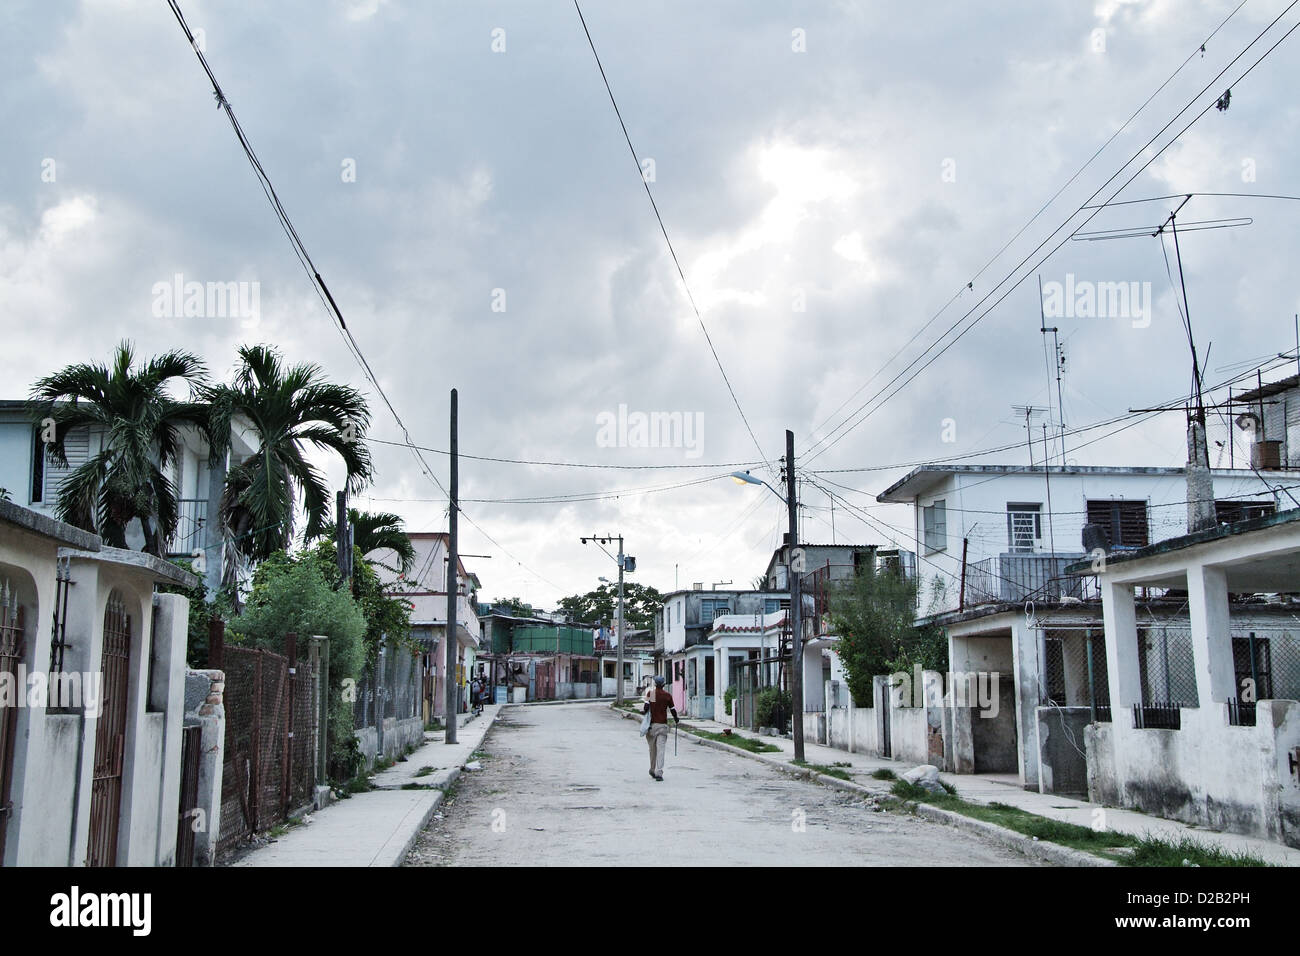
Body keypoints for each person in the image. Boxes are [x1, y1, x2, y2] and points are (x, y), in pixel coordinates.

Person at [642, 675, 679, 782]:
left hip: (652, 726)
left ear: (655, 684)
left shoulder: (651, 694)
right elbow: (673, 710)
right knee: (661, 750)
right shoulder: (667, 695)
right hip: (662, 725)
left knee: (652, 749)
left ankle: (652, 769)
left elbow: (646, 708)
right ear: (663, 685)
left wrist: (645, 712)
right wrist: (676, 719)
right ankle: (659, 772)